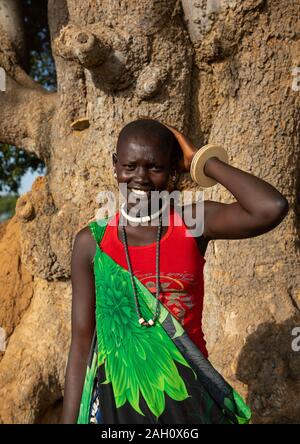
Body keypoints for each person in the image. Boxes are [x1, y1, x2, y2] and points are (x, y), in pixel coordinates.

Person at [60, 118, 289, 424]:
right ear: (115, 166)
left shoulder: (192, 222)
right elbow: (81, 344)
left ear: (172, 169)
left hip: (189, 403)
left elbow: (270, 207)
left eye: (155, 167)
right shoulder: (92, 243)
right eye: (130, 166)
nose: (140, 177)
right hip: (119, 408)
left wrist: (202, 162)